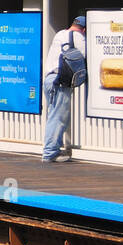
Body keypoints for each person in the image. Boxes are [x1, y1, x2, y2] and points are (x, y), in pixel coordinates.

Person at [42, 15, 87, 162]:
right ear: (84, 29)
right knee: (58, 117)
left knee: (53, 115)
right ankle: (50, 153)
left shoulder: (60, 34)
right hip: (60, 81)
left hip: (49, 79)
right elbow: (86, 56)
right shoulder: (79, 37)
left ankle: (54, 149)